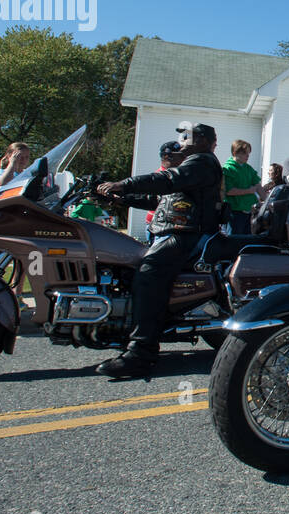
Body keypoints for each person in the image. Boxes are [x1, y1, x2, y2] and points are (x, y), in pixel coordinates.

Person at [94, 123, 225, 377]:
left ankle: (140, 352)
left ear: (202, 140)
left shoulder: (203, 162)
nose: (180, 140)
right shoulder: (193, 165)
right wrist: (119, 197)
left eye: (186, 136)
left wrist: (125, 183)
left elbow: (168, 181)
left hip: (187, 234)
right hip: (177, 231)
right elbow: (159, 199)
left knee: (150, 270)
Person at [223, 140, 264, 235]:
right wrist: (248, 191)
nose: (248, 156)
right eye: (244, 153)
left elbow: (258, 187)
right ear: (235, 153)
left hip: (250, 212)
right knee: (234, 241)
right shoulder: (228, 168)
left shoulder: (248, 168)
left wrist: (268, 202)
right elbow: (229, 191)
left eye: (248, 153)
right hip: (235, 212)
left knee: (247, 240)